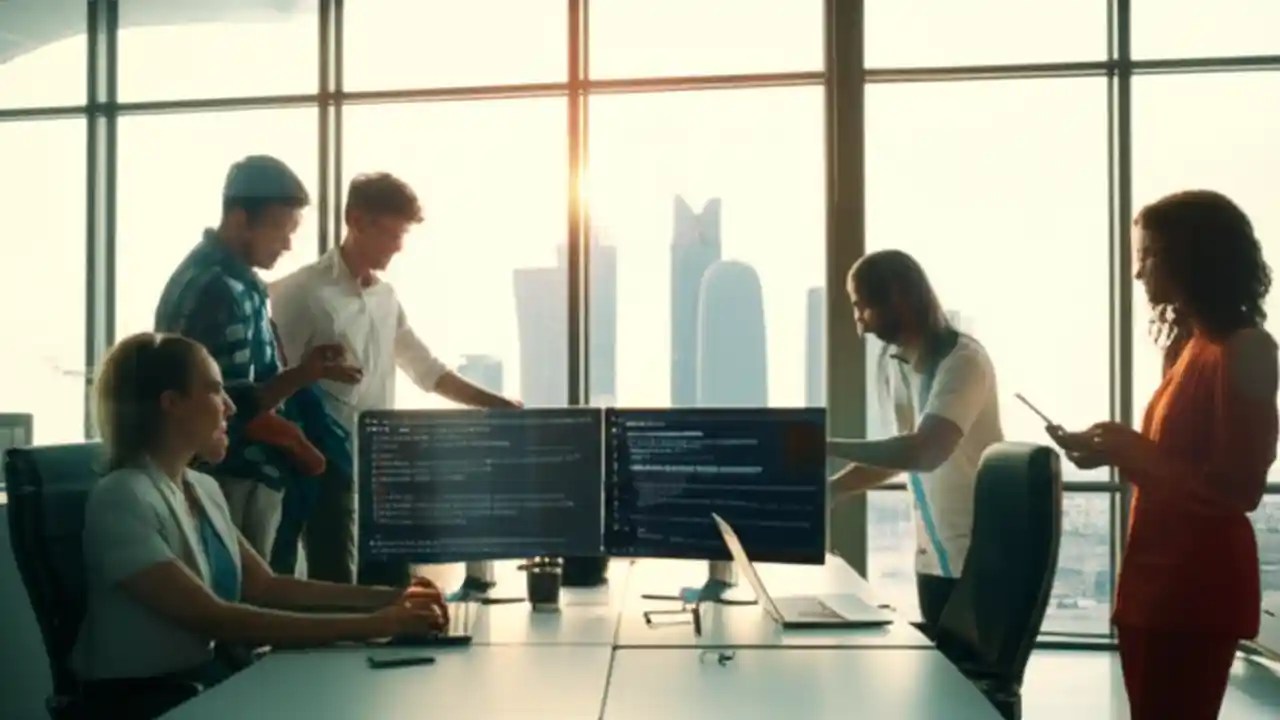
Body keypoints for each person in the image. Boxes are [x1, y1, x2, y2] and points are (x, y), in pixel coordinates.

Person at [73, 332, 447, 719]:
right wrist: (374, 624)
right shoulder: (122, 498)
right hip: (148, 704)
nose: (231, 407)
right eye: (216, 391)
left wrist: (391, 597)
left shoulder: (201, 488)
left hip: (206, 686)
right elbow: (217, 618)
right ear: (172, 403)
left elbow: (266, 587)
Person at [1052, 190, 1275, 720]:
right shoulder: (1189, 343)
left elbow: (1237, 490)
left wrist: (1135, 453)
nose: (1138, 273)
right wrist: (1118, 446)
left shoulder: (1245, 349)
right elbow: (1174, 459)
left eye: (1147, 255)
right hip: (1156, 585)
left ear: (1191, 257)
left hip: (1194, 591)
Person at [271, 172, 521, 586]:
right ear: (356, 220)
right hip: (319, 466)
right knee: (332, 580)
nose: (399, 246)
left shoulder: (385, 299)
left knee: (386, 582)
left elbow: (428, 370)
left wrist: (494, 404)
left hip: (378, 466)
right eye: (392, 233)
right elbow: (275, 379)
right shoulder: (301, 292)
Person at [154, 154, 361, 572]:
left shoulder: (230, 280)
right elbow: (231, 405)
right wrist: (301, 445)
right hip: (234, 474)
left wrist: (305, 373)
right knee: (251, 604)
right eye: (280, 228)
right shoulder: (221, 289)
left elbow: (246, 390)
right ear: (239, 218)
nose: (286, 243)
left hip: (239, 473)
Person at [826, 249, 1003, 632]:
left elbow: (925, 451)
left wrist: (826, 446)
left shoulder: (963, 361)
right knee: (944, 678)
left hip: (979, 557)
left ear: (898, 299)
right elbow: (899, 454)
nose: (859, 322)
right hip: (932, 558)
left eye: (863, 306)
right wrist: (833, 490)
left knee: (972, 685)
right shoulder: (893, 363)